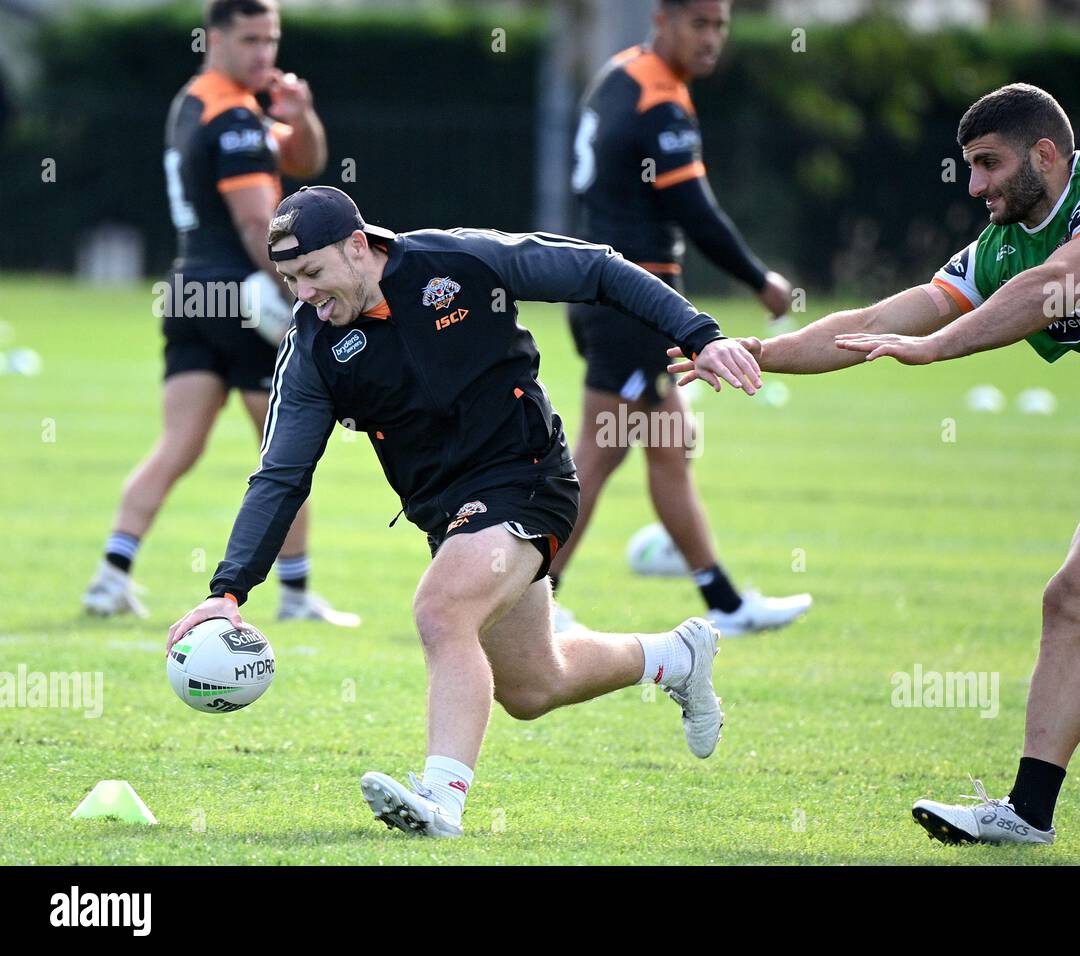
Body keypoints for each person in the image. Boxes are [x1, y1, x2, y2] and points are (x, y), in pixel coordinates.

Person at [669, 83, 1080, 846]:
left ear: (1043, 154)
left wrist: (940, 348)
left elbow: (1059, 283)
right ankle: (1027, 814)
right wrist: (755, 353)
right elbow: (879, 319)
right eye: (968, 167)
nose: (974, 186)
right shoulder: (1001, 248)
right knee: (1072, 600)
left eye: (987, 164)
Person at [165, 185, 765, 838]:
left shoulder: (459, 263)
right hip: (450, 516)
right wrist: (229, 590)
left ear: (358, 247)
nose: (302, 293)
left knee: (441, 608)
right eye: (289, 279)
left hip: (528, 476)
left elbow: (596, 268)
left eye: (311, 274)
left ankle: (441, 801)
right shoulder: (313, 351)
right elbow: (281, 474)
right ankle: (675, 657)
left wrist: (700, 334)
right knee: (534, 687)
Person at [83, 0, 356, 625]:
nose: (266, 54)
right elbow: (258, 220)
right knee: (284, 447)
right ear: (215, 38)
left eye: (273, 40)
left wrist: (302, 116)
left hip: (186, 293)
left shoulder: (198, 100)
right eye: (252, 40)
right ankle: (295, 594)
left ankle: (110, 577)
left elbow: (302, 158)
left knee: (177, 444)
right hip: (242, 298)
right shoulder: (236, 116)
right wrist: (303, 293)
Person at [558, 0, 811, 636]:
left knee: (669, 448)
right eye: (698, 23)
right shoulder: (661, 102)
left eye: (720, 25)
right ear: (662, 19)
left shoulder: (624, 72)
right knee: (600, 451)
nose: (712, 38)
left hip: (607, 291)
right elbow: (697, 213)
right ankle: (535, 596)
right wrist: (762, 282)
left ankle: (725, 603)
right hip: (634, 299)